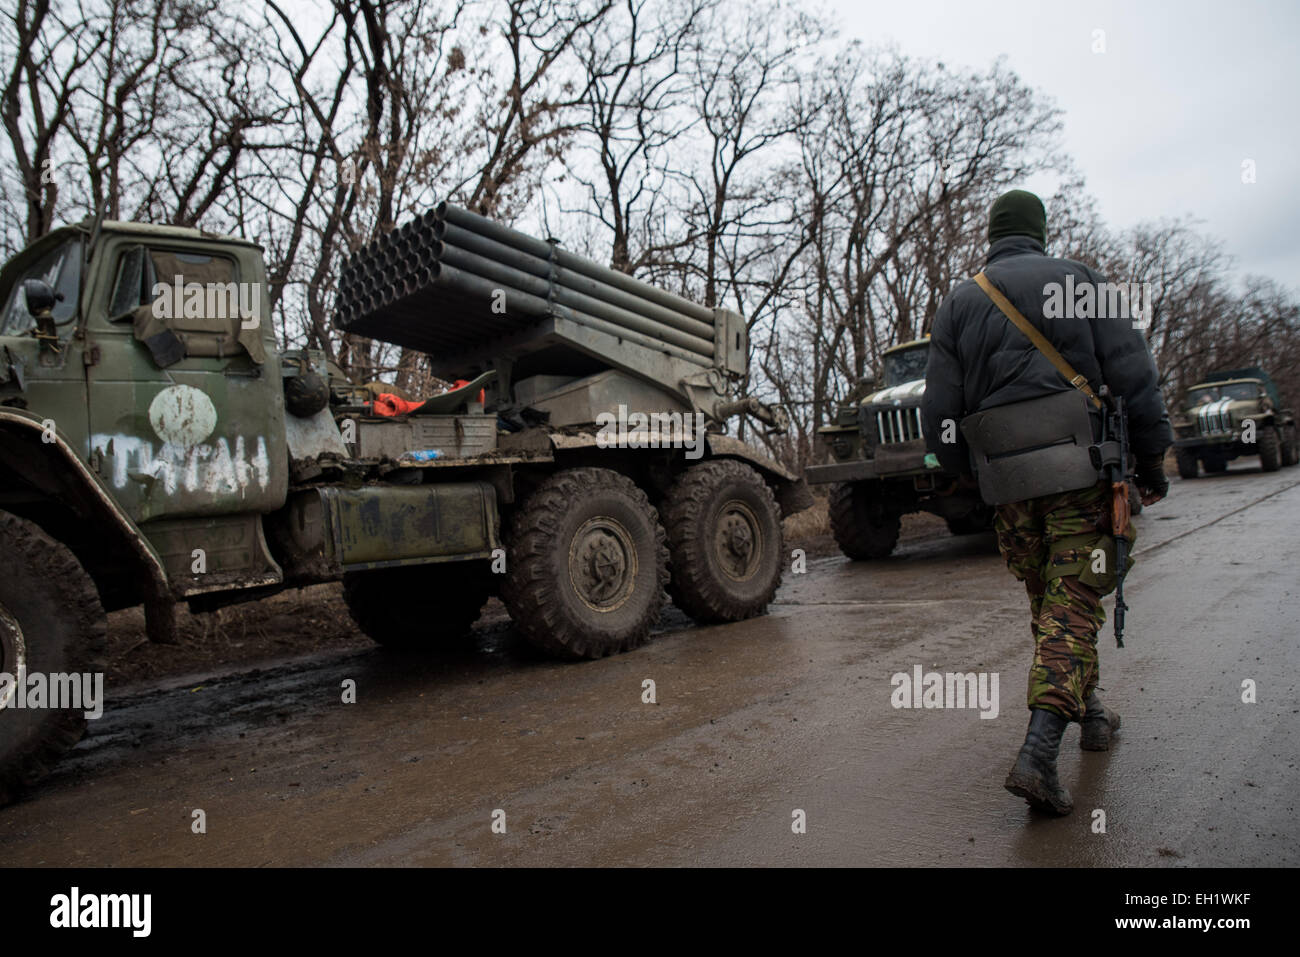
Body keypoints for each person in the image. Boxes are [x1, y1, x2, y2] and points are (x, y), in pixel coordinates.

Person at [921, 189, 1172, 816]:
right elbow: (1136, 376)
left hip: (1007, 481)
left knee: (1053, 599)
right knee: (1075, 597)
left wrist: (959, 474)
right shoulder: (1085, 282)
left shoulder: (960, 300)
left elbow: (940, 409)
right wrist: (1152, 459)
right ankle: (1037, 756)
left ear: (992, 233)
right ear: (1040, 230)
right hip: (1080, 467)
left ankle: (1091, 716)